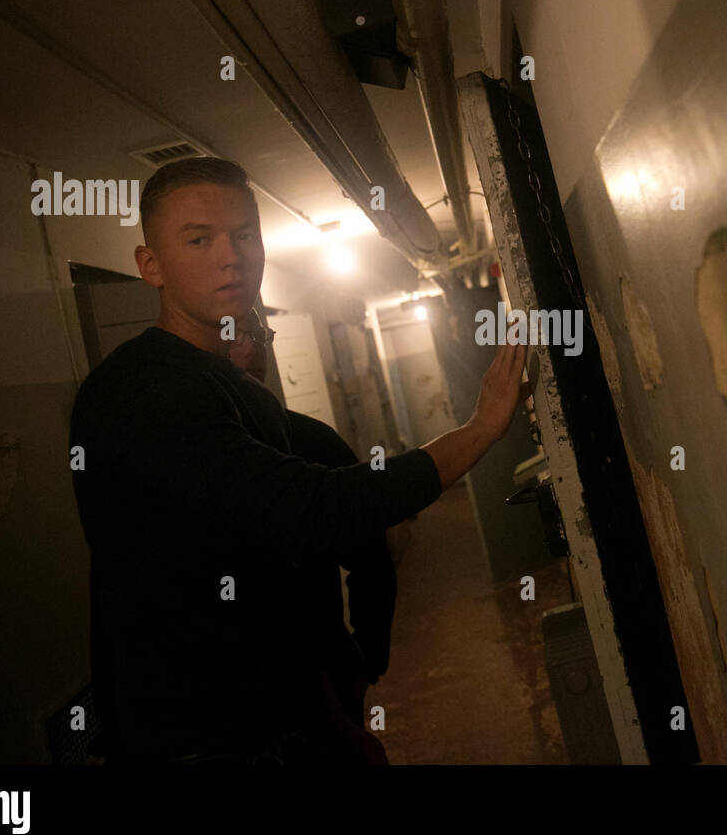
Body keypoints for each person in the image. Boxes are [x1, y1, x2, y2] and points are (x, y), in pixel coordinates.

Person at [69, 156, 528, 764]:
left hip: (278, 714)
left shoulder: (231, 389)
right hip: (200, 740)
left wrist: (331, 699)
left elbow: (274, 579)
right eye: (199, 240)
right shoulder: (143, 390)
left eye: (244, 235)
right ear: (149, 264)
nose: (231, 258)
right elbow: (316, 511)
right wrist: (479, 431)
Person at [226, 307, 391, 734]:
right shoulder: (183, 452)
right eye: (236, 333)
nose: (254, 347)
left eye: (260, 333)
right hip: (226, 696)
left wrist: (366, 658)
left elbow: (370, 555)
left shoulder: (310, 440)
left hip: (320, 675)